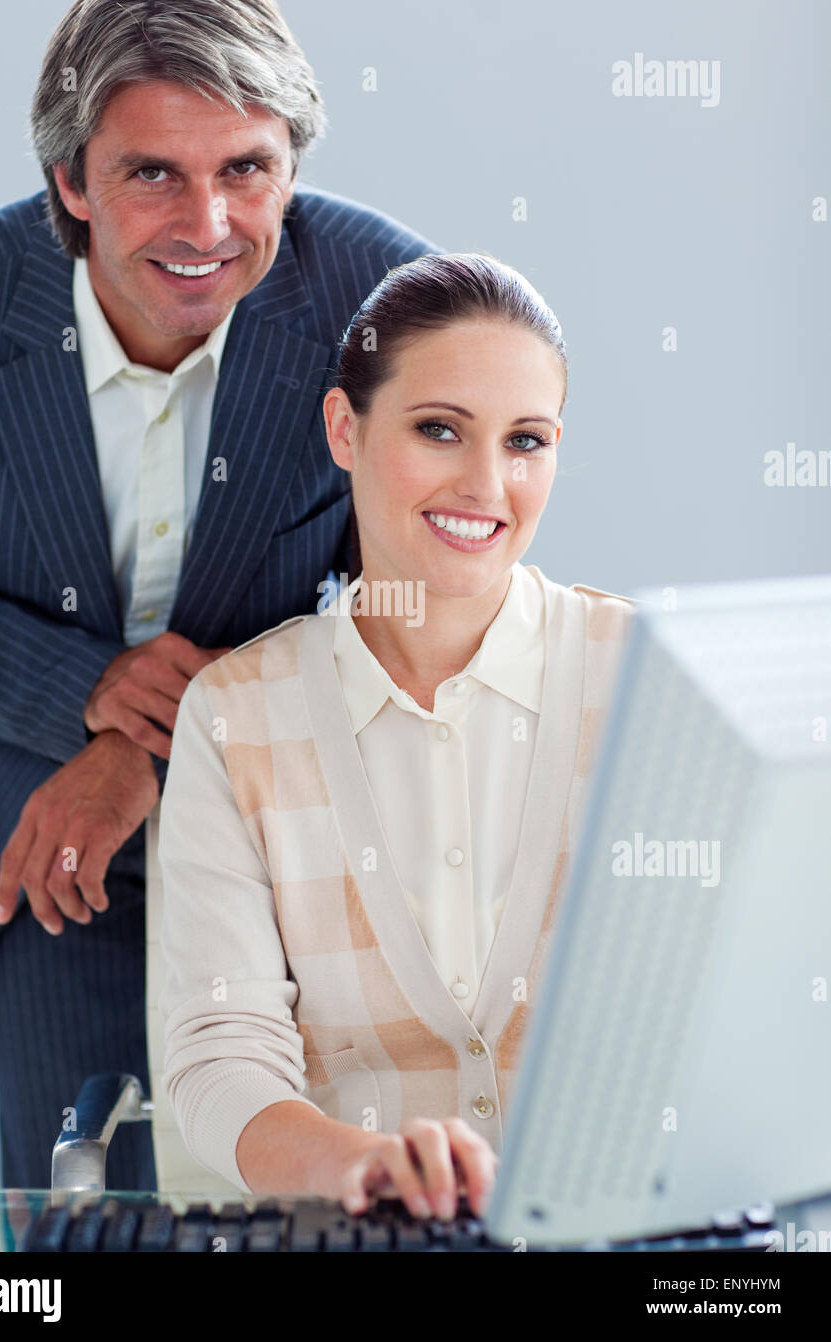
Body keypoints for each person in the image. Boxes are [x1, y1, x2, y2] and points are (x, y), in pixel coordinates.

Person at [0, 0, 441, 1191]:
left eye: (246, 169)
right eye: (153, 173)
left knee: (311, 1204)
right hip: (48, 838)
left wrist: (157, 743)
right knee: (87, 1208)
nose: (207, 226)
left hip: (306, 836)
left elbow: (418, 608)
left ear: (291, 167)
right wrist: (84, 695)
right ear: (69, 183)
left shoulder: (385, 312)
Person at [157, 253, 636, 1220]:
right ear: (345, 428)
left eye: (526, 441)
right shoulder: (235, 716)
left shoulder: (645, 681)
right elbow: (220, 1060)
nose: (486, 485)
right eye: (437, 430)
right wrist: (363, 1171)